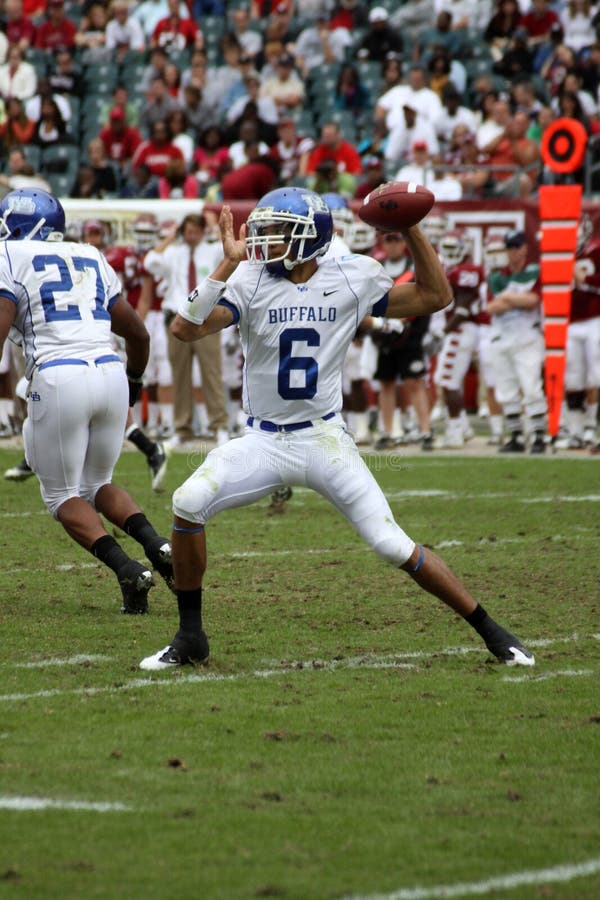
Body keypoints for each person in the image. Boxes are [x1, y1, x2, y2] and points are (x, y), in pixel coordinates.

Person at [138, 186, 535, 671]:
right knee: (187, 501)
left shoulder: (351, 275)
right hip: (262, 439)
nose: (267, 239)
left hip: (324, 438)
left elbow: (436, 296)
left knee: (391, 544)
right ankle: (190, 636)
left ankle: (493, 632)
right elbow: (185, 329)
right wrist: (226, 265)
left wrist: (409, 226)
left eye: (281, 231)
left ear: (311, 238)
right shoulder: (251, 279)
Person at [0, 188, 174, 614]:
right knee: (97, 485)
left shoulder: (9, 256)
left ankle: (129, 571)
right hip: (110, 370)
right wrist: (133, 380)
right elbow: (138, 333)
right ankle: (159, 545)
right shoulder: (91, 254)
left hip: (59, 377)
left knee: (62, 497)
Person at [143, 214, 229, 447]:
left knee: (211, 373)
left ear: (202, 232)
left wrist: (214, 227)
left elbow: (229, 254)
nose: (190, 236)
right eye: (187, 232)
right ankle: (182, 428)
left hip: (205, 319)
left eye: (195, 231)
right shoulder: (173, 252)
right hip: (177, 317)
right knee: (179, 374)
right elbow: (150, 261)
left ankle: (219, 426)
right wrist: (171, 236)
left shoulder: (210, 251)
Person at [486, 229, 546, 453]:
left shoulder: (534, 271)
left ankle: (539, 435)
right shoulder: (496, 275)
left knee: (531, 386)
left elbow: (533, 301)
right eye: (509, 247)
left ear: (525, 248)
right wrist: (515, 300)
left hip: (527, 335)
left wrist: (508, 298)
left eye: (516, 246)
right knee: (506, 388)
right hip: (502, 336)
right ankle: (516, 436)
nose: (513, 251)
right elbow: (492, 307)